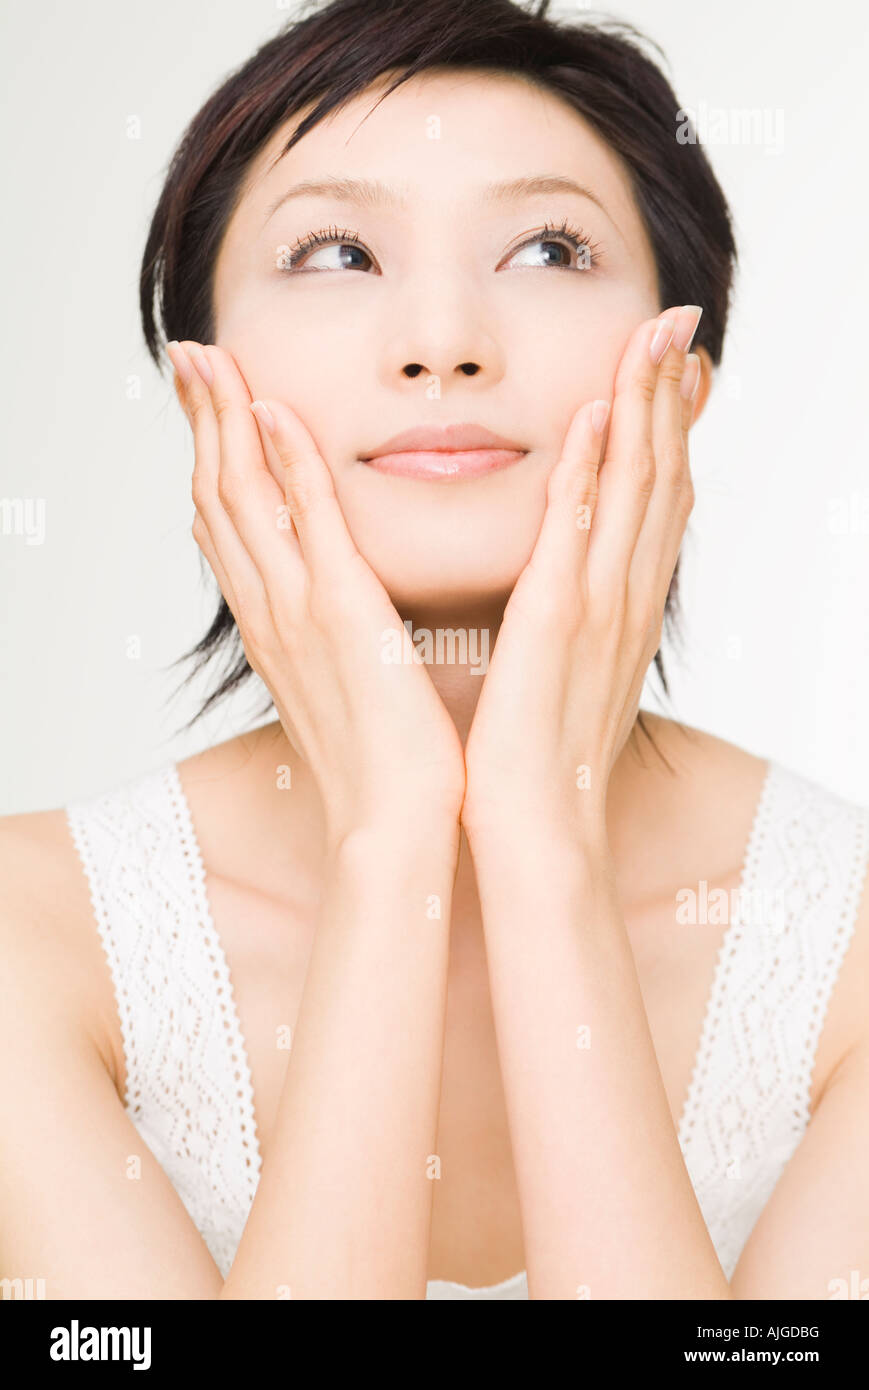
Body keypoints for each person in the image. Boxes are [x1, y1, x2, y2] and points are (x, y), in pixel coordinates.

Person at [1, 0, 867, 1301]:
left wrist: (542, 836)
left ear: (682, 383)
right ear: (202, 386)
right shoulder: (31, 939)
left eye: (548, 246)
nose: (443, 342)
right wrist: (389, 832)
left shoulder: (844, 946)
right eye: (338, 251)